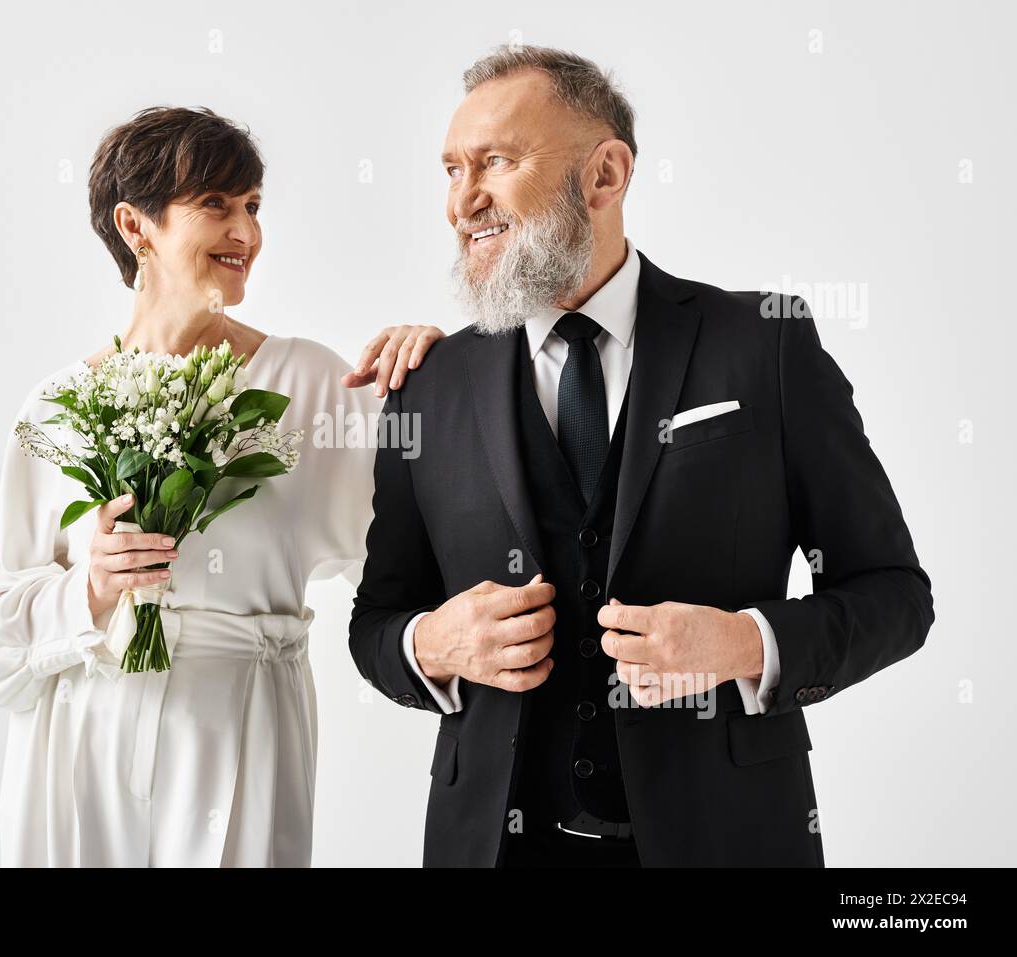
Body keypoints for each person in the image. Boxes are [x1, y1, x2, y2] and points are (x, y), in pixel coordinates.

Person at [349, 45, 933, 867]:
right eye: (450, 170)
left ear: (606, 175)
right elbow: (375, 622)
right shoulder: (429, 383)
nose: (462, 200)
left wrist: (746, 642)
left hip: (728, 840)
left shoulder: (763, 345)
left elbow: (895, 595)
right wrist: (433, 645)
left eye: (496, 162)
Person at [0, 106, 442, 866]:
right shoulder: (54, 406)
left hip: (243, 736)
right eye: (216, 205)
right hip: (82, 750)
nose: (246, 233)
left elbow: (422, 553)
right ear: (136, 226)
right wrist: (88, 593)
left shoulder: (311, 383)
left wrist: (445, 382)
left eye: (253, 206)